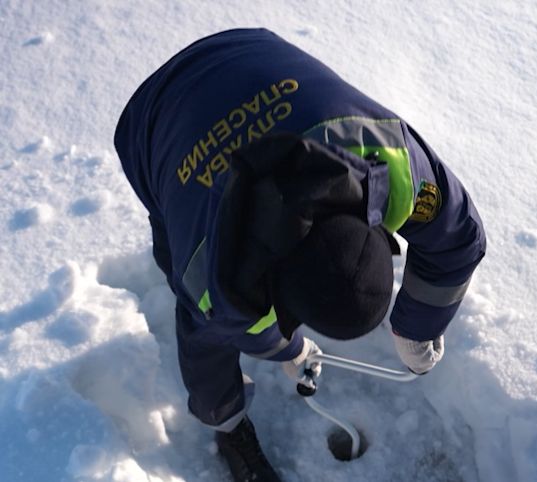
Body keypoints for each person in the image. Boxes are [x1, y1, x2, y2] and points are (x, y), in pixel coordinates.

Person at [114, 28, 486, 482]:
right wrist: (232, 408)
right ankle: (232, 435)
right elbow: (204, 358)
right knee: (176, 257)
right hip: (151, 120)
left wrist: (419, 326)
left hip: (248, 51)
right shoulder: (210, 277)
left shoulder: (387, 161)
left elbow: (458, 234)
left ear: (370, 221)